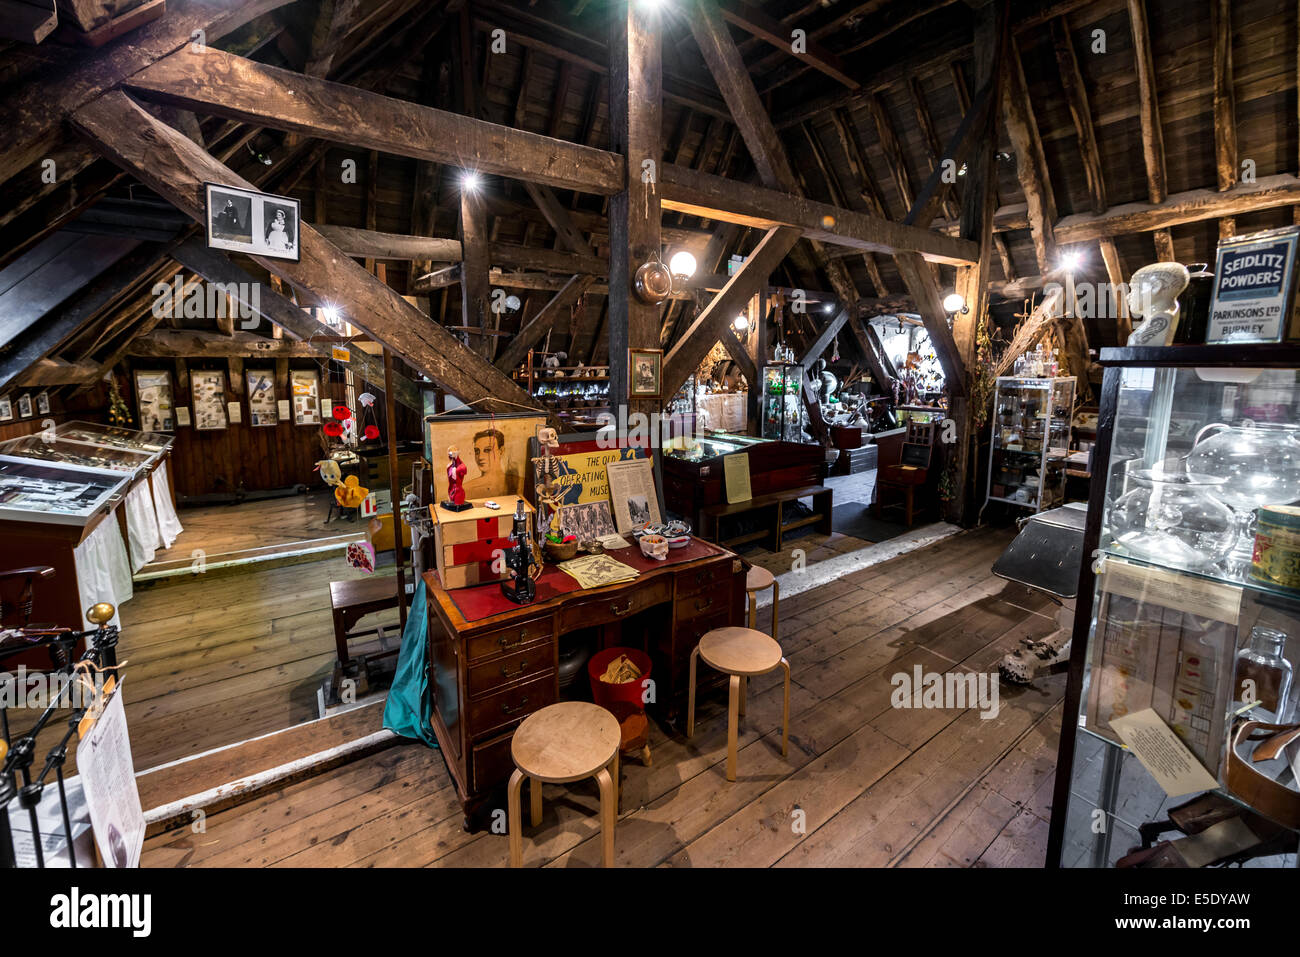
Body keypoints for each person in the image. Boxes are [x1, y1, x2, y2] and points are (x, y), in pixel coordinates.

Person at [464, 428, 508, 498]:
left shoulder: (518, 482)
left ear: (501, 451)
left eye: (487, 450)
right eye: (477, 451)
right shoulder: (466, 489)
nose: (480, 457)